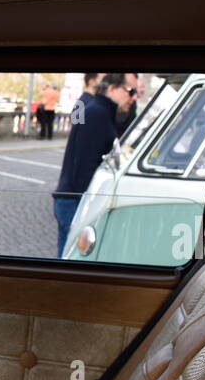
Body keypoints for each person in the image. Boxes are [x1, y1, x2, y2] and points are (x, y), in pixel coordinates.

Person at [51, 72, 139, 256]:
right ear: (112, 88)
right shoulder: (96, 112)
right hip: (74, 202)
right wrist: (91, 207)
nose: (133, 97)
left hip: (72, 198)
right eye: (130, 91)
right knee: (71, 260)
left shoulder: (101, 110)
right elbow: (84, 168)